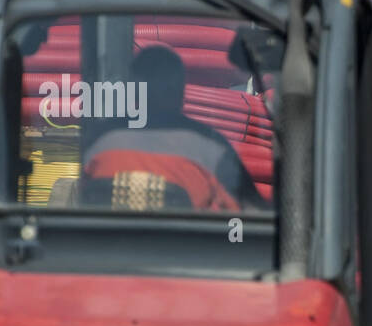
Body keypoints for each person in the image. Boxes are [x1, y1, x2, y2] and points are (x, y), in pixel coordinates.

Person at [81, 45, 267, 211]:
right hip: (185, 249)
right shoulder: (212, 148)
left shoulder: (99, 140)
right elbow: (249, 215)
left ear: (134, 90)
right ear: (180, 92)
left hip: (107, 248)